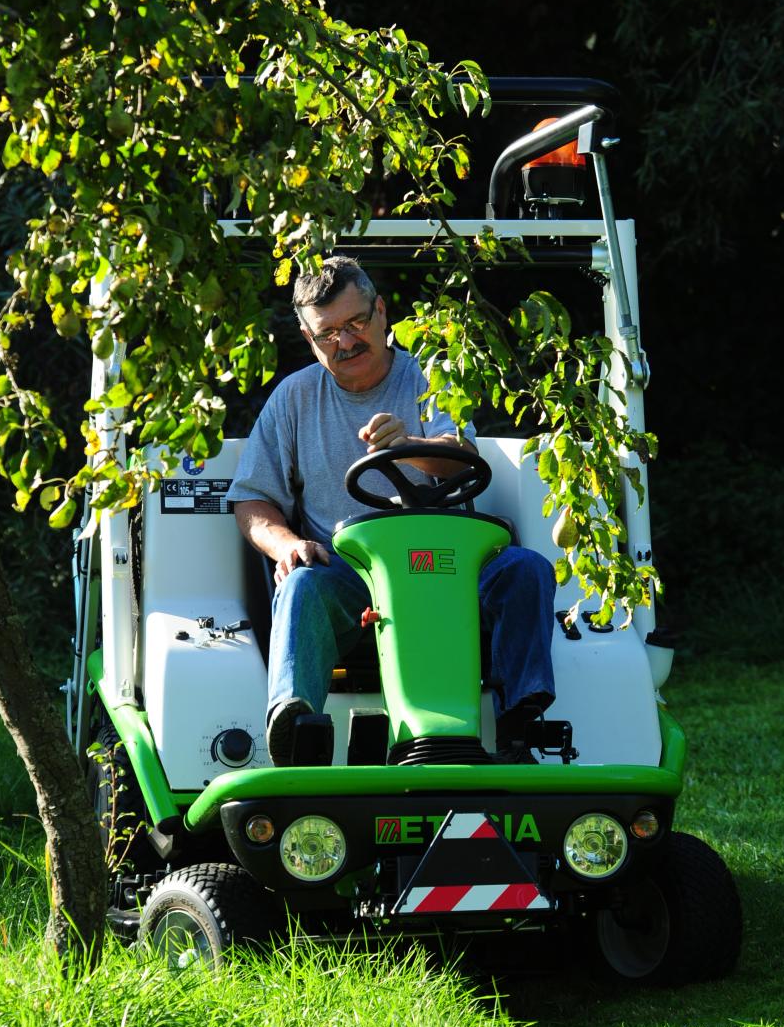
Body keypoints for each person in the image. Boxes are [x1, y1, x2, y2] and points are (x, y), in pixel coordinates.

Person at [227, 256, 556, 766]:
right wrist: (287, 545)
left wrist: (410, 443)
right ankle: (296, 727)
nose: (346, 342)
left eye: (356, 322)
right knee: (301, 583)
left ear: (381, 312)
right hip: (350, 574)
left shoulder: (427, 378)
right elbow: (252, 499)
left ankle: (520, 724)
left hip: (445, 566)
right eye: (328, 333)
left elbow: (461, 457)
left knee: (525, 570)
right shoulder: (293, 400)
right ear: (307, 336)